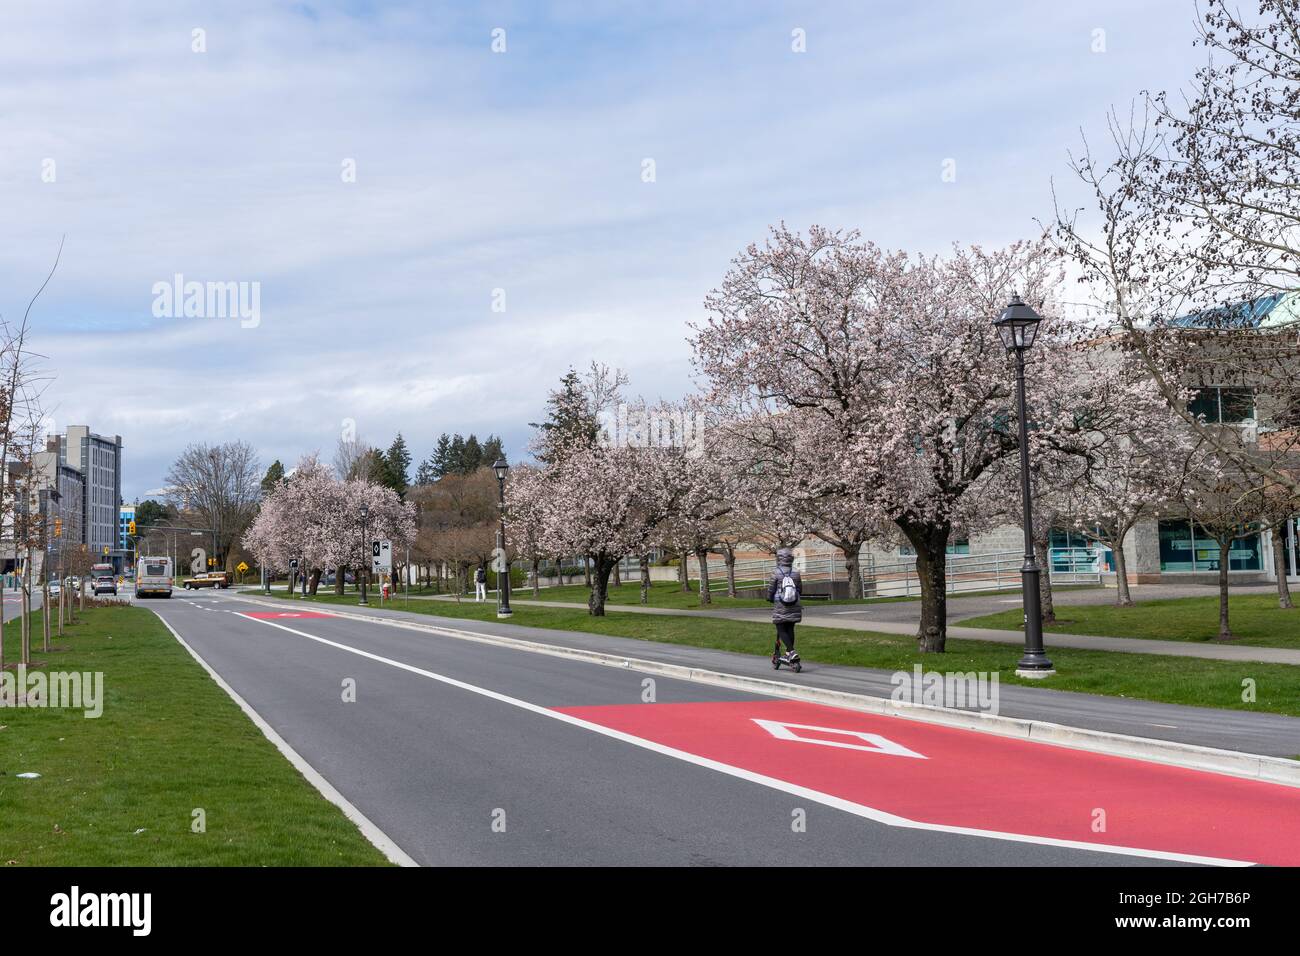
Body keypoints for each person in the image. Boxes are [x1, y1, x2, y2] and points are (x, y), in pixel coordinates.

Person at [765, 547, 802, 666]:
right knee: (790, 628)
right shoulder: (796, 572)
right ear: (791, 559)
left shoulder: (776, 572)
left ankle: (791, 652)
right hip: (794, 603)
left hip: (780, 604)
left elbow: (771, 588)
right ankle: (788, 653)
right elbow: (800, 589)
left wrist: (769, 598)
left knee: (780, 628)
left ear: (779, 559)